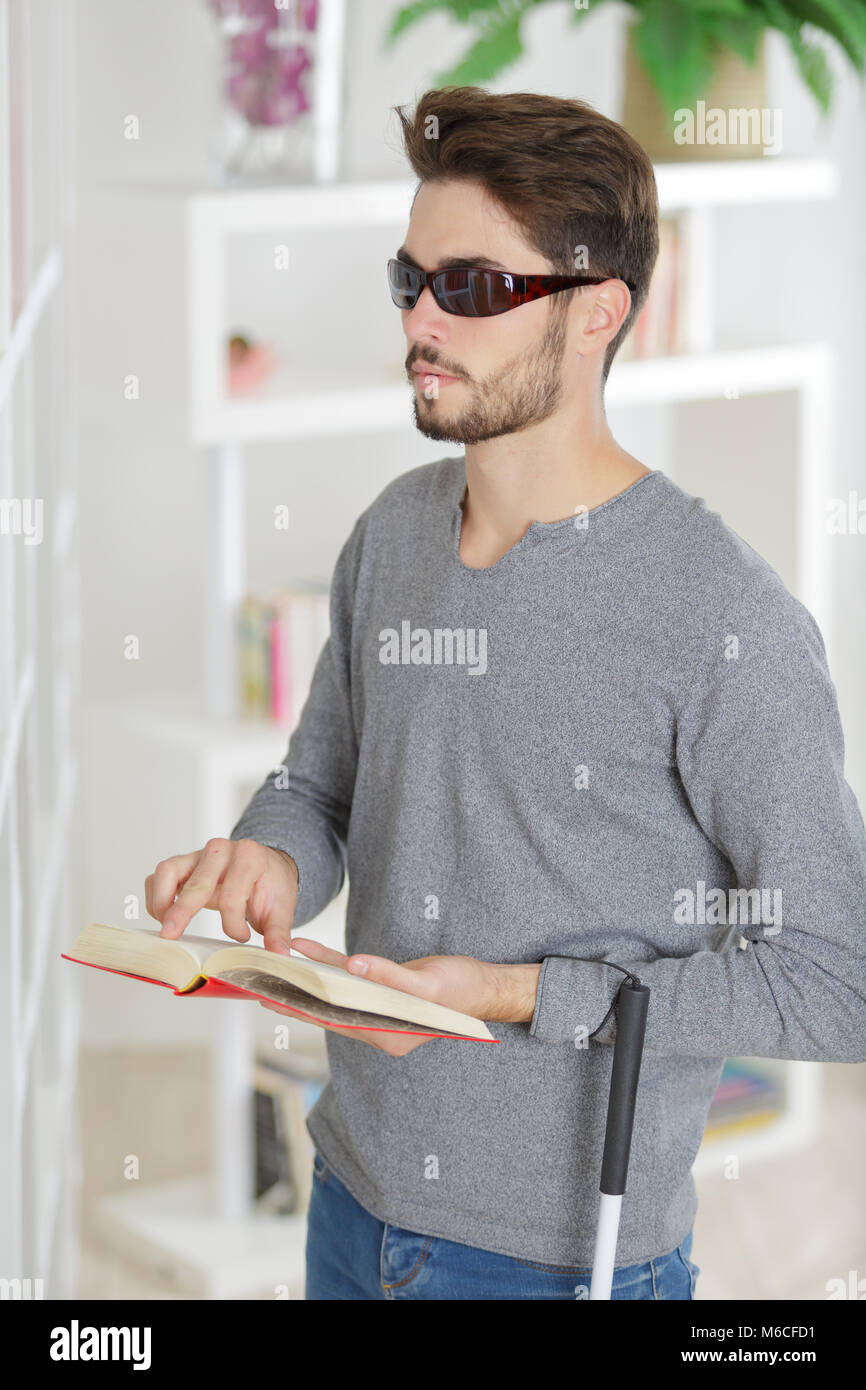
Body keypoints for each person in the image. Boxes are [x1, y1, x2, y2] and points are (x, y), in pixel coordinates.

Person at [145, 88, 866, 1300]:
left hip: (558, 1261)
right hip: (349, 1195)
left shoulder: (720, 614)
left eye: (471, 288)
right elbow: (320, 785)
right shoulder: (391, 536)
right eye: (410, 280)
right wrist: (268, 857)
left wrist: (517, 995)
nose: (423, 321)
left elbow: (832, 980)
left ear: (597, 314)